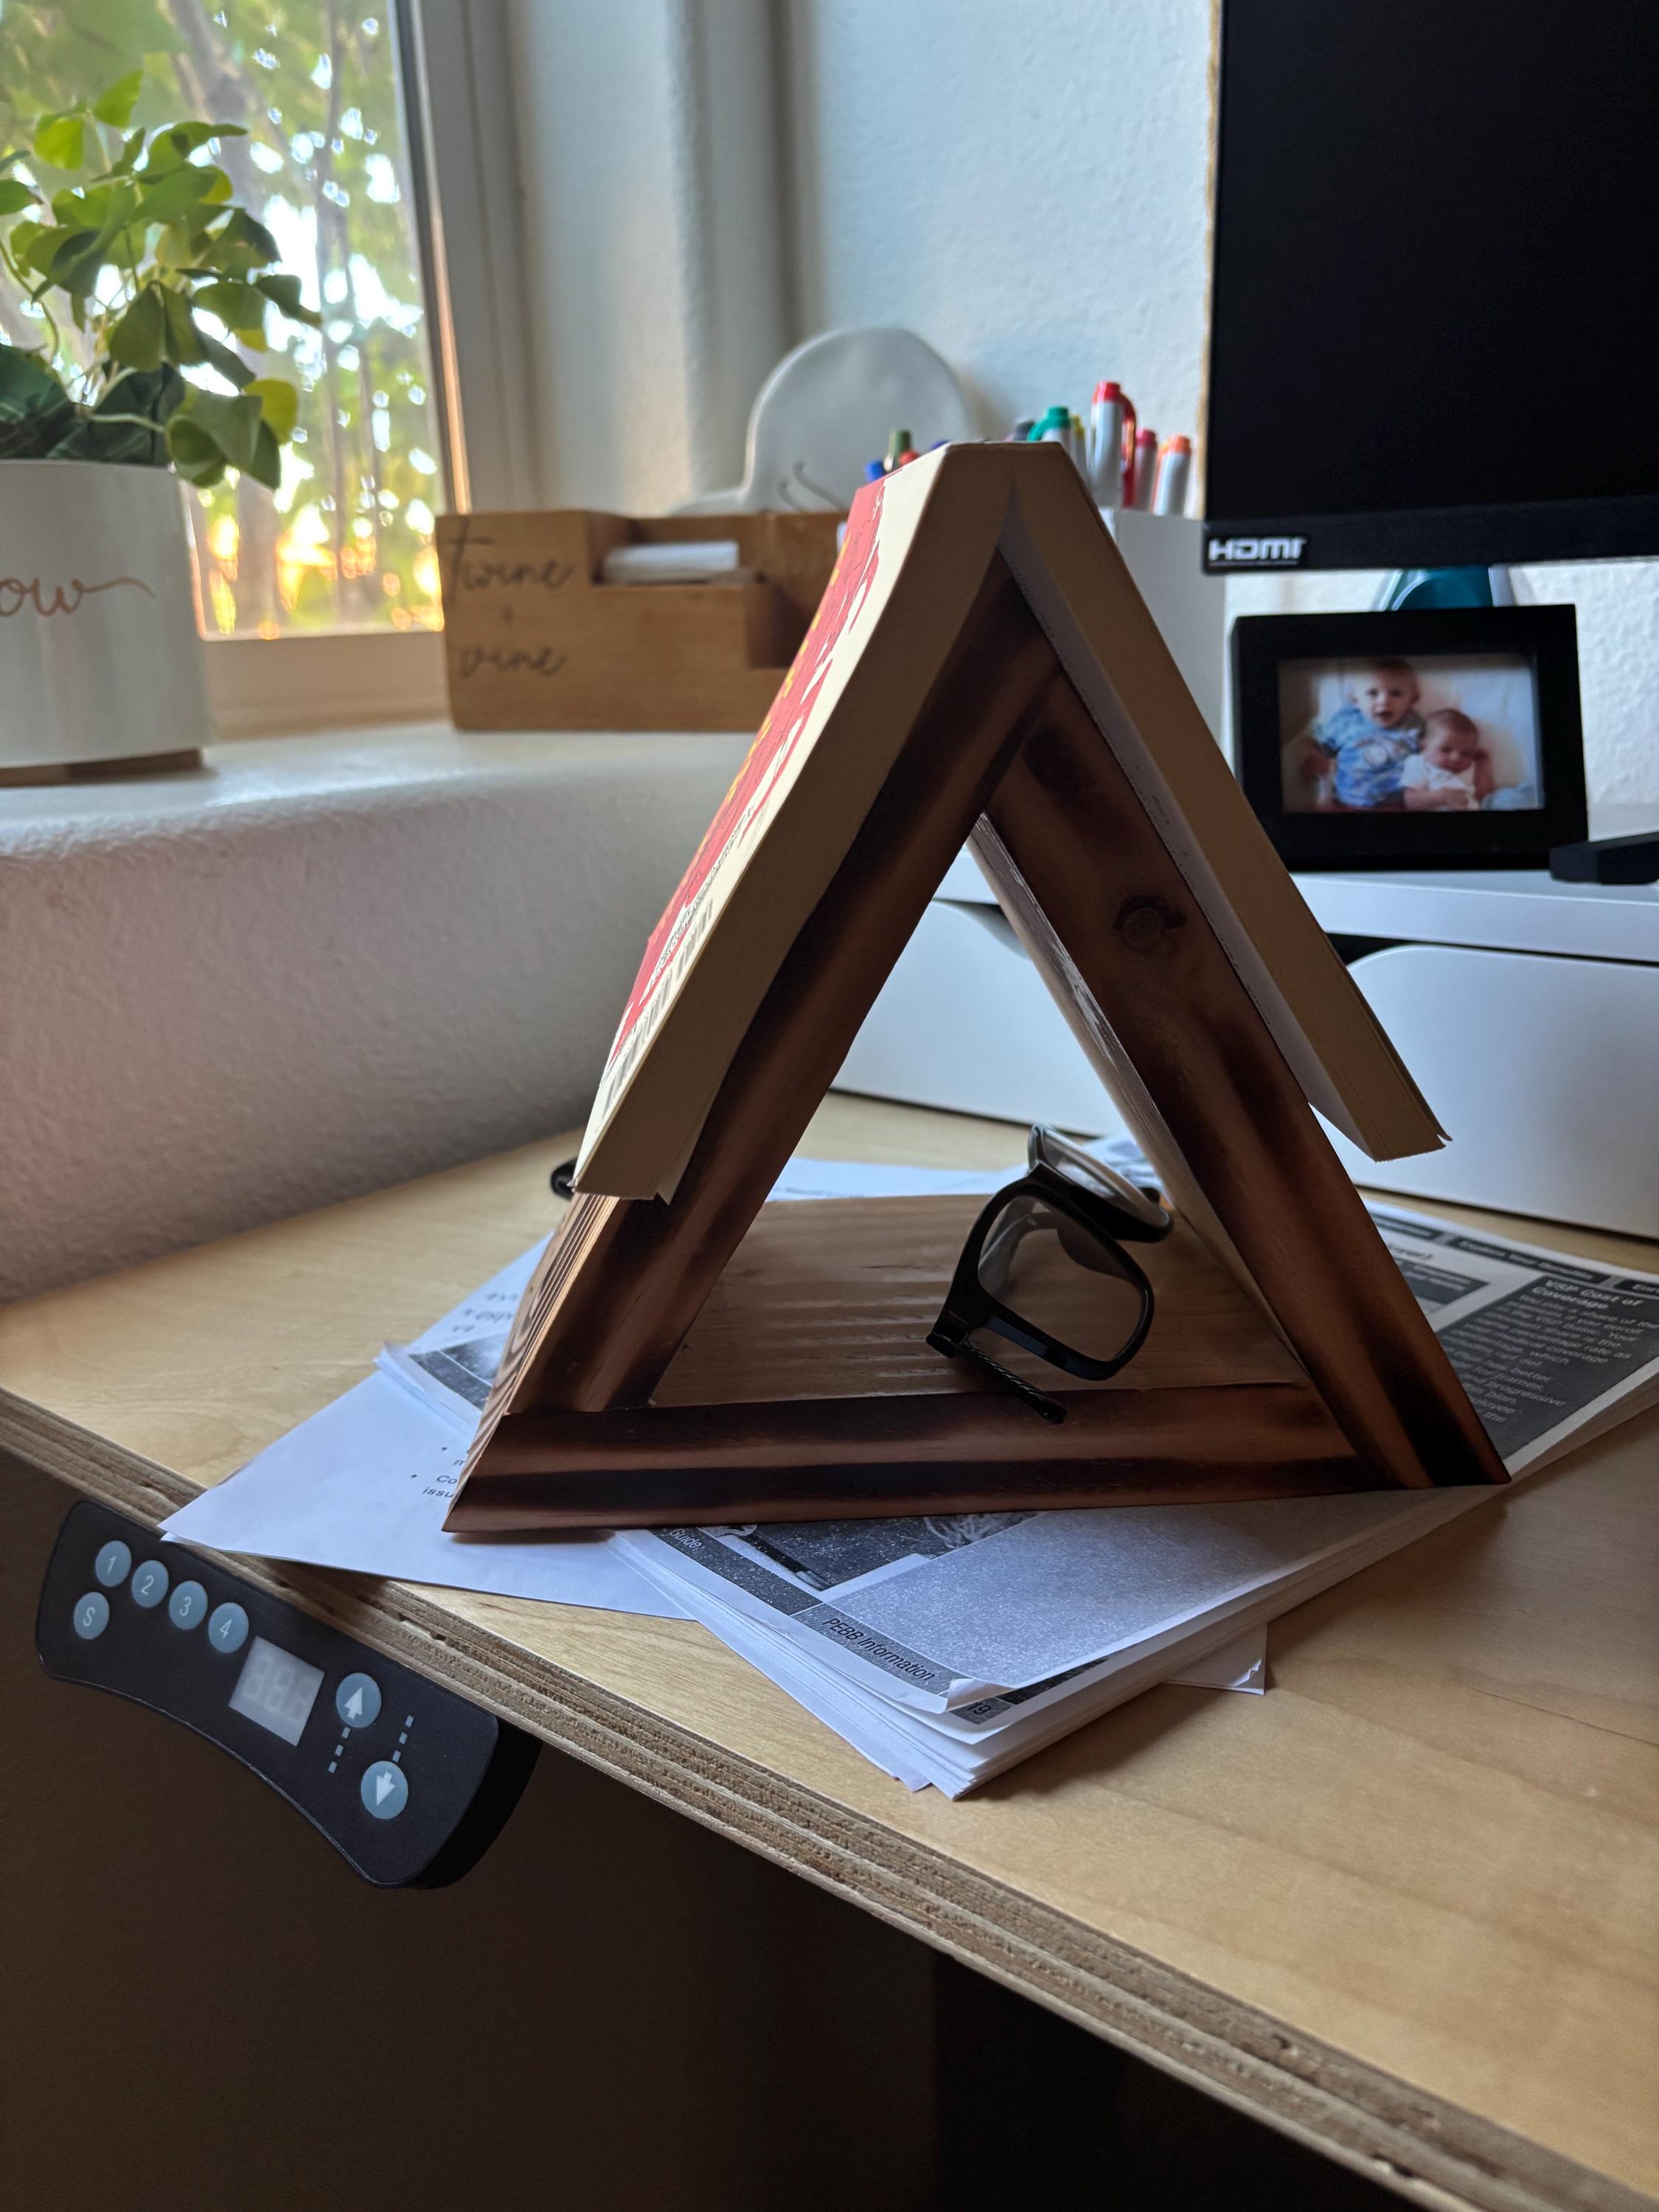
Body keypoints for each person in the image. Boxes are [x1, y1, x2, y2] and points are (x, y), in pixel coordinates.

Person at [1303, 658, 1425, 809]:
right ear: (1355, 700)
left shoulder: (1414, 726)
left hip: (1397, 802)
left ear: (1412, 701)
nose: (1384, 701)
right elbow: (1322, 745)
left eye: (1396, 693)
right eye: (1373, 693)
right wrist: (1316, 759)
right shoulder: (1345, 722)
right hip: (1348, 800)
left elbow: (1429, 752)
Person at [1400, 708, 1492, 810]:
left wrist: (1483, 765)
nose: (1456, 758)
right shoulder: (1419, 763)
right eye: (1446, 750)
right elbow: (1410, 801)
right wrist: (1442, 796)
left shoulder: (1468, 766)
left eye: (1466, 753)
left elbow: (1482, 794)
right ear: (1423, 748)